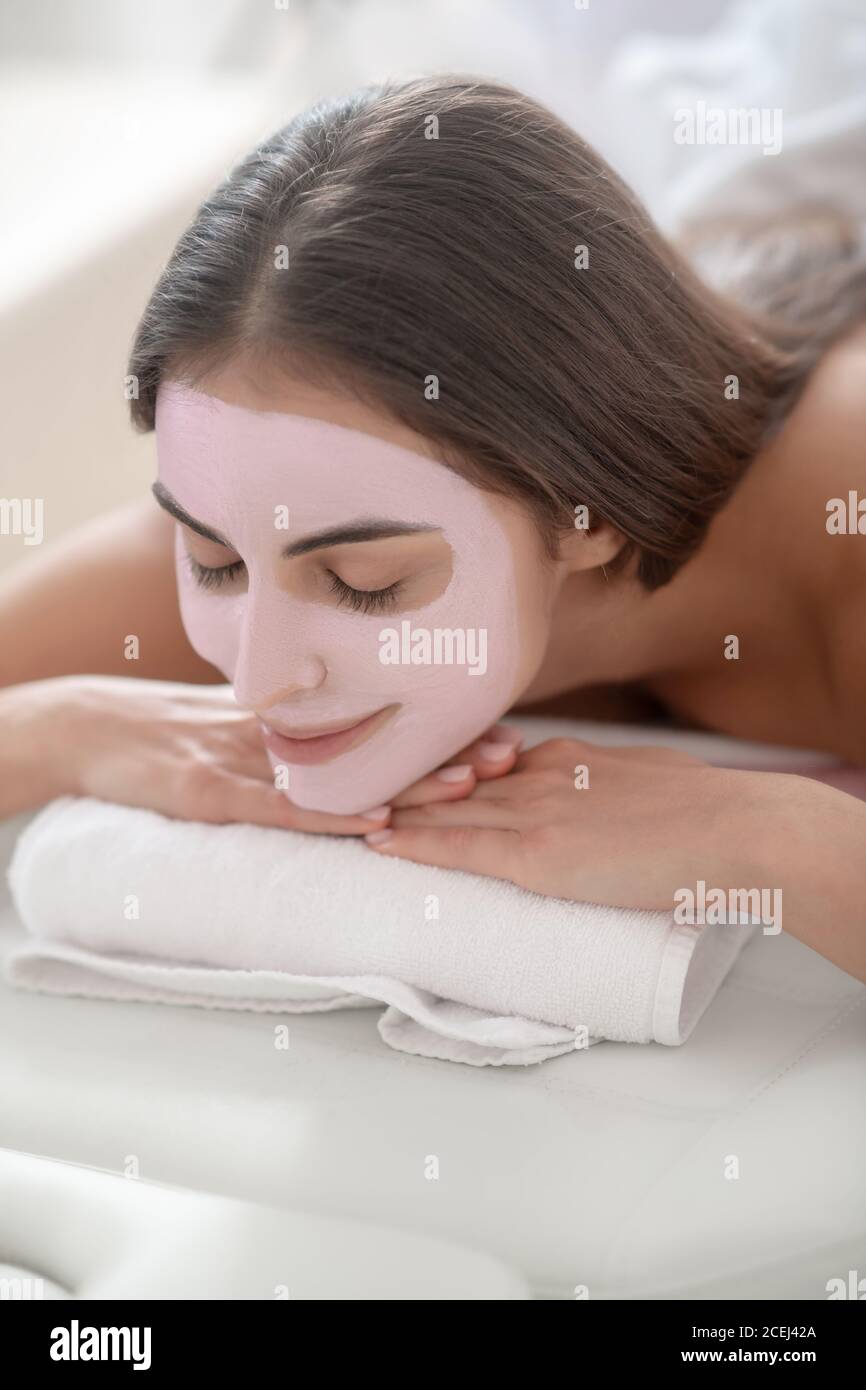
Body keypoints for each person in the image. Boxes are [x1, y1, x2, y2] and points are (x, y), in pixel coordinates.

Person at [2, 78, 865, 978]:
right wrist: (66, 728)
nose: (256, 682)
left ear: (588, 512)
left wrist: (768, 837)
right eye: (213, 562)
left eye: (363, 582)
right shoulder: (283, 503)